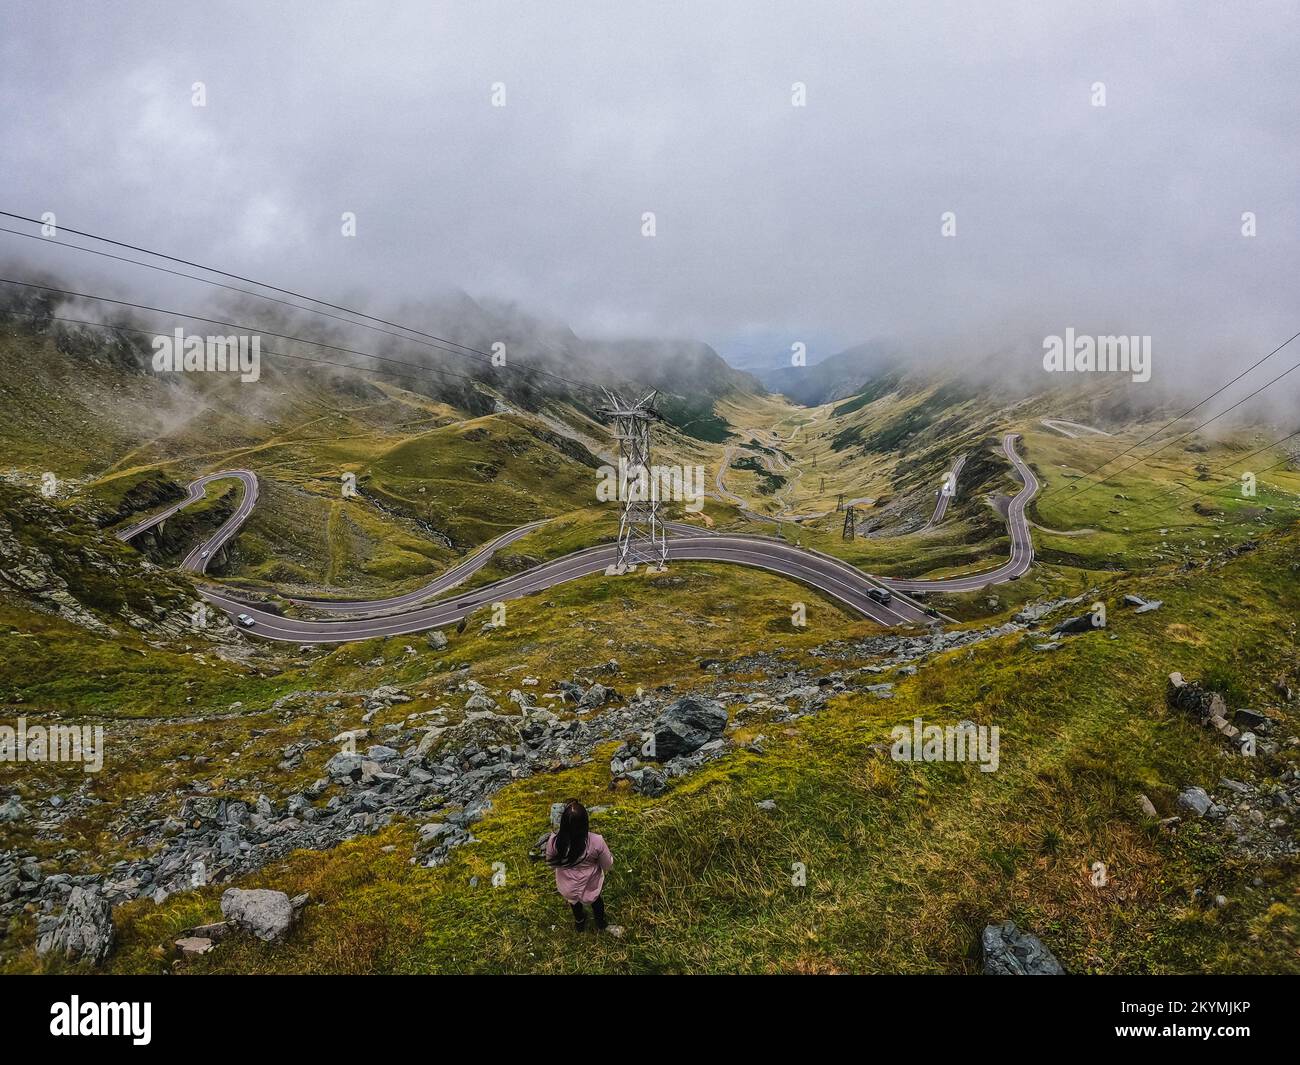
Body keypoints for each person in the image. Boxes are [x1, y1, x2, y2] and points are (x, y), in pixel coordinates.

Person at [546, 799, 619, 934]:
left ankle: (579, 922)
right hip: (590, 883)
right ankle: (600, 923)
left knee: (574, 902)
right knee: (596, 901)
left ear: (563, 822)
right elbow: (607, 864)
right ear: (585, 822)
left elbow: (552, 863)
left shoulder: (554, 841)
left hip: (567, 885)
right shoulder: (596, 841)